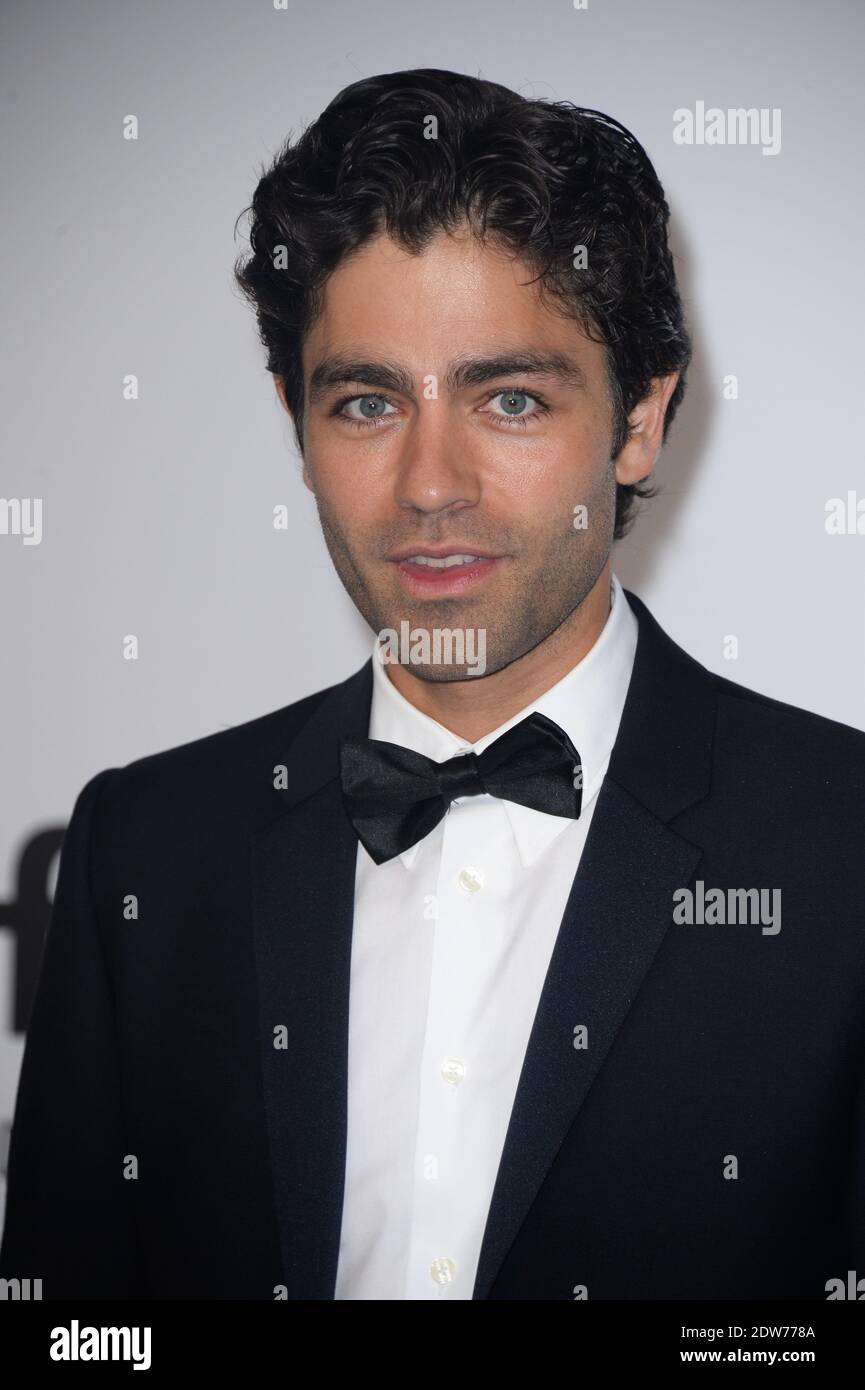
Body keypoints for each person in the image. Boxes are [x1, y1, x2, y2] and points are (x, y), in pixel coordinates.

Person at [2, 68, 863, 1302]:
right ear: (297, 424)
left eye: (508, 398)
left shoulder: (843, 848)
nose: (427, 482)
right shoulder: (143, 854)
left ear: (637, 419)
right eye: (364, 402)